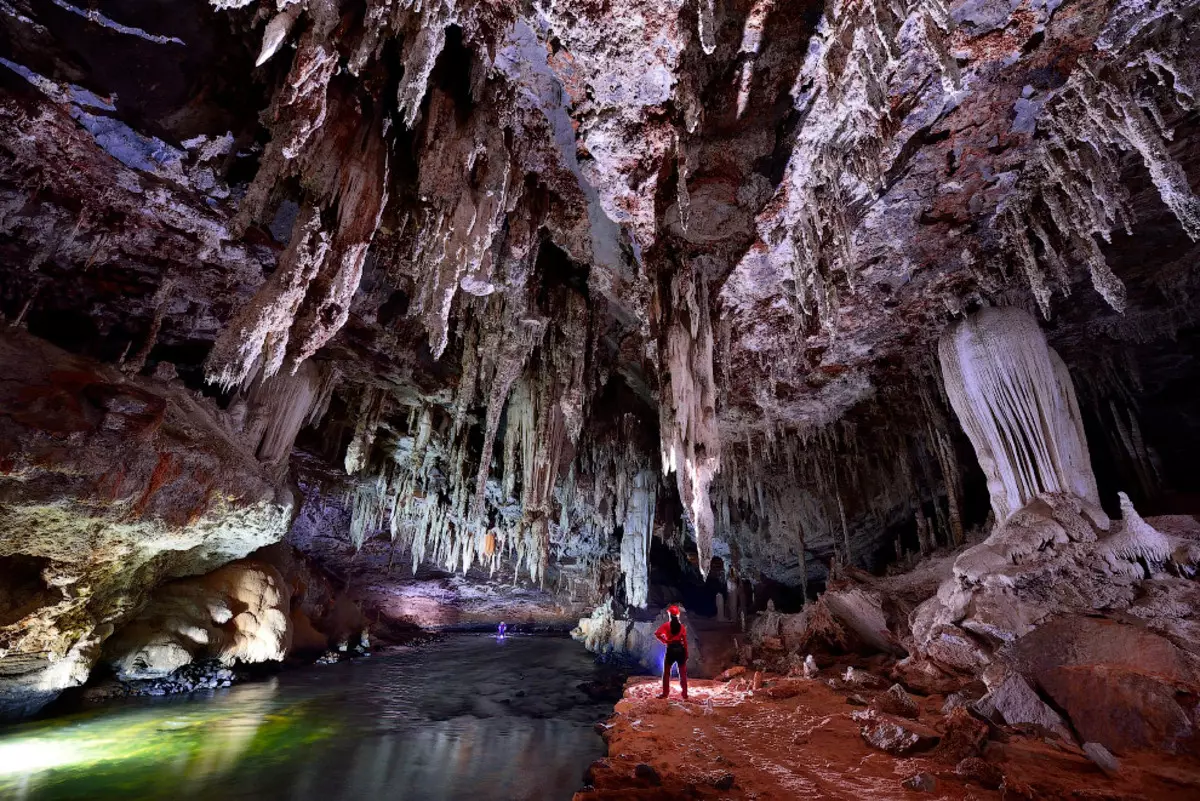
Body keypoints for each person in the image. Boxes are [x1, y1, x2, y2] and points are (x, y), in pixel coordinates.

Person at [654, 604, 688, 700]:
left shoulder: (666, 626)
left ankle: (665, 693)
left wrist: (665, 641)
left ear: (669, 615)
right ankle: (684, 694)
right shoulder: (681, 627)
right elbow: (685, 641)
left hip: (671, 650)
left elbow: (657, 634)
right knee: (682, 673)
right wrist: (686, 653)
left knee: (666, 673)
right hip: (680, 650)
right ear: (678, 615)